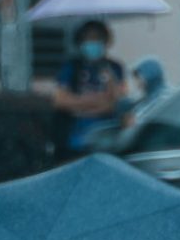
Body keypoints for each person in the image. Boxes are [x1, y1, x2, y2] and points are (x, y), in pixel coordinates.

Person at [50, 24, 127, 153]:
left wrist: (80, 106)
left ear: (105, 41)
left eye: (97, 38)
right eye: (88, 39)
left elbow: (116, 102)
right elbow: (59, 100)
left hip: (107, 133)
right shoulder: (71, 66)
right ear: (80, 42)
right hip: (76, 134)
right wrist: (93, 100)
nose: (92, 42)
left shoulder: (115, 67)